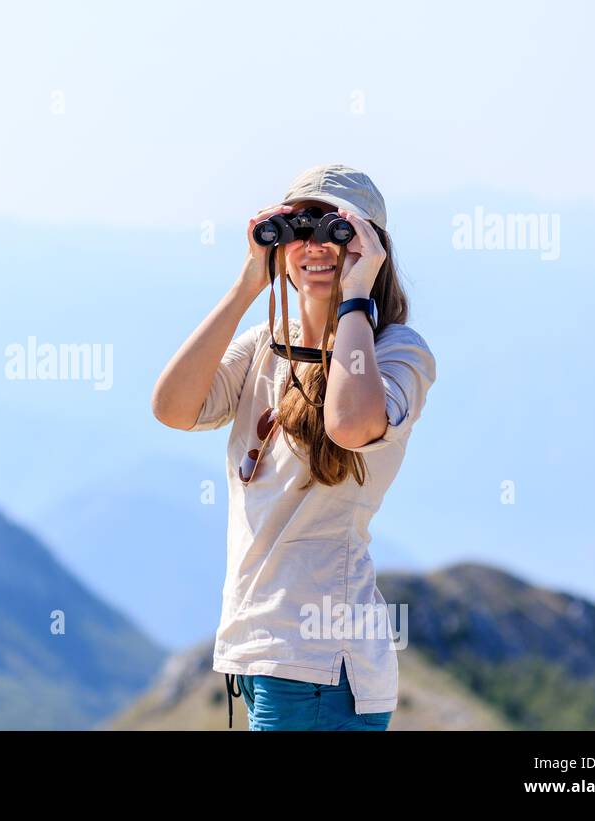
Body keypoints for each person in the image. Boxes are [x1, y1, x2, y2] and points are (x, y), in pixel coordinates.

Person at [150, 164, 437, 730]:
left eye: (340, 231)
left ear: (376, 249)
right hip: (263, 654)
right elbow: (172, 408)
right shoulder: (265, 347)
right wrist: (246, 286)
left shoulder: (398, 352)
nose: (319, 246)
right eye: (300, 228)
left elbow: (351, 425)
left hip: (318, 663)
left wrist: (354, 296)